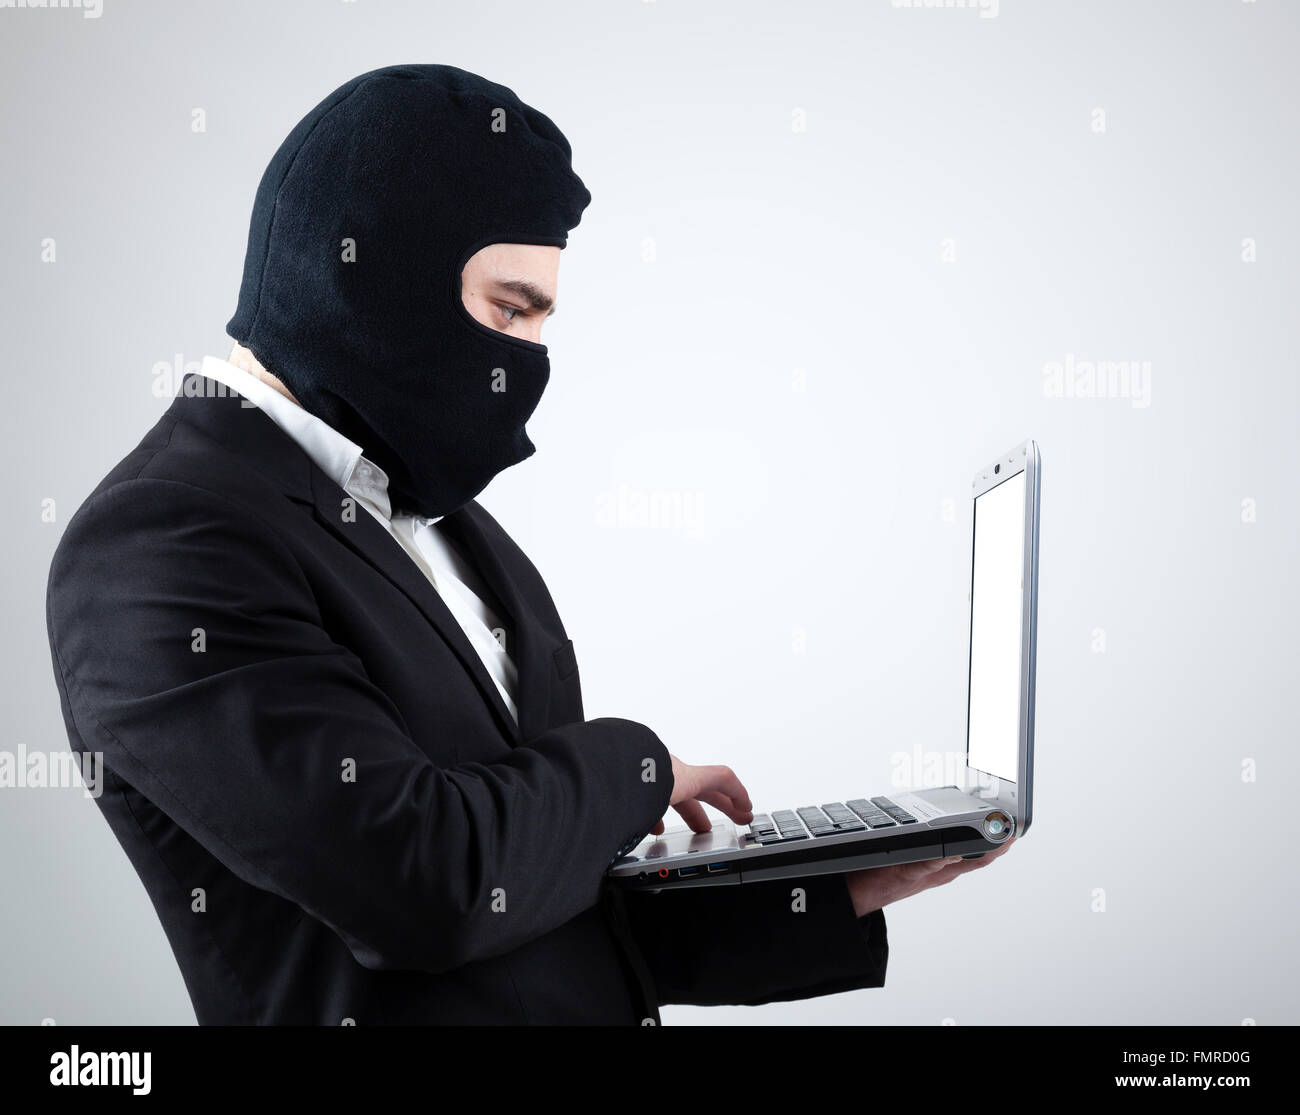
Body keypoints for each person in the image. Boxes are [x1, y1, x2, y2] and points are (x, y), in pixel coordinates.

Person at [44, 64, 1011, 1025]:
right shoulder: (158, 544)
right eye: (510, 311)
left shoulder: (448, 523)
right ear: (370, 272)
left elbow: (548, 912)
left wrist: (831, 887)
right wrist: (637, 768)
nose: (528, 361)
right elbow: (429, 884)